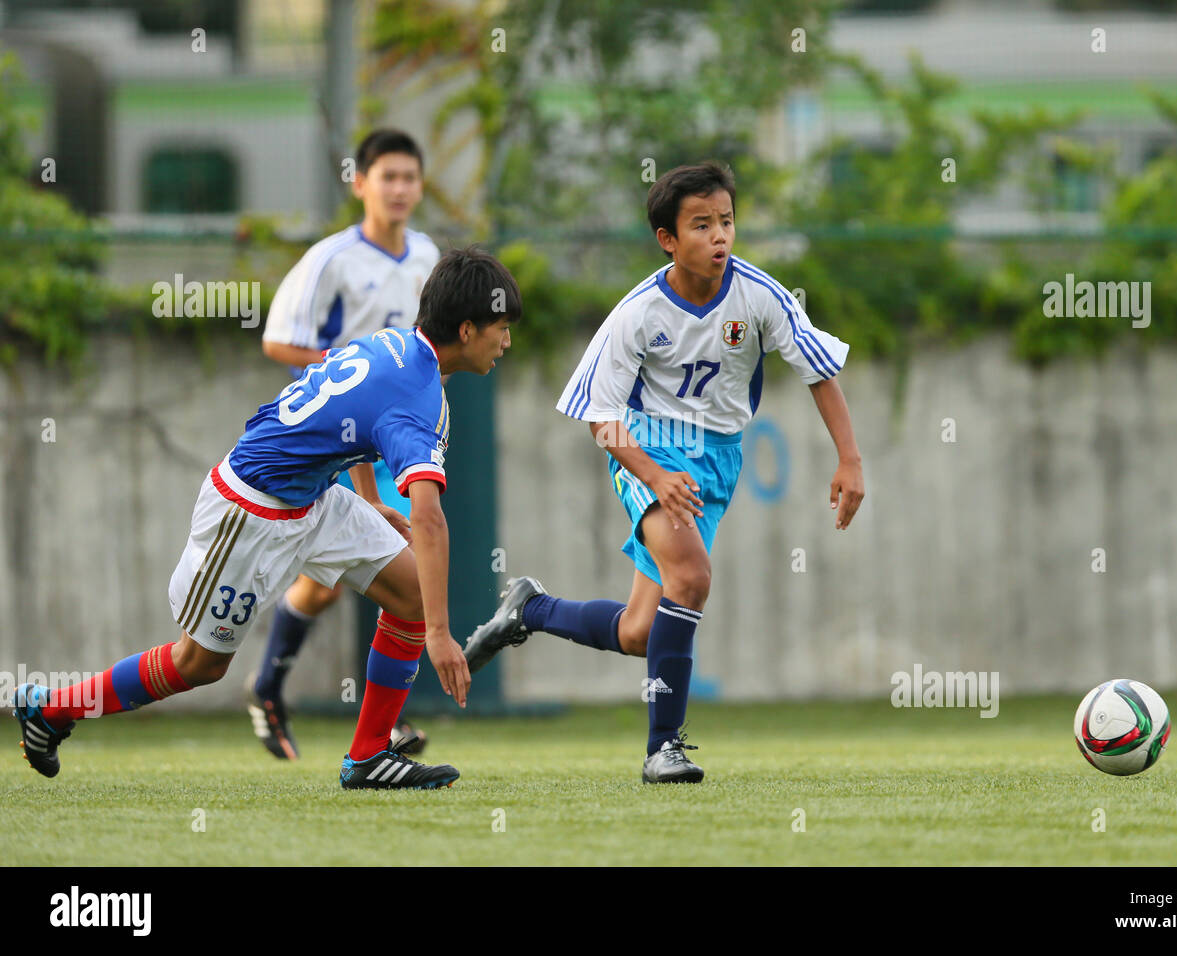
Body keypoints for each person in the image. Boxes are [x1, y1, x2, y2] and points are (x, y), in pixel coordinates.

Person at [14, 247, 519, 790]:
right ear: (467, 330)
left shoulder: (396, 343)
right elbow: (429, 519)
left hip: (317, 496)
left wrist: (368, 504)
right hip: (252, 509)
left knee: (410, 593)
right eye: (501, 327)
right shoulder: (420, 396)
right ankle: (52, 708)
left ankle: (369, 757)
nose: (507, 341)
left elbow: (350, 427)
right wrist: (440, 637)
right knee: (198, 665)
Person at [464, 162, 865, 783]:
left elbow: (818, 368)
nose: (719, 236)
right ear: (667, 239)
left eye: (726, 221)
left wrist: (850, 459)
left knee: (639, 630)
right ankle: (663, 748)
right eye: (700, 225)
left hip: (719, 458)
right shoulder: (636, 313)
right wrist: (654, 475)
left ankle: (530, 611)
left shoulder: (761, 296)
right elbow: (600, 419)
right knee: (693, 577)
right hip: (646, 447)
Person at [252, 128, 440, 760]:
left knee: (393, 565)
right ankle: (276, 690)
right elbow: (279, 341)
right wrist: (353, 368)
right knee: (353, 575)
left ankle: (369, 720)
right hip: (338, 437)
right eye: (386, 176)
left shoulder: (427, 258)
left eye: (409, 177)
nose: (399, 189)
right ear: (360, 183)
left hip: (399, 438)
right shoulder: (332, 260)